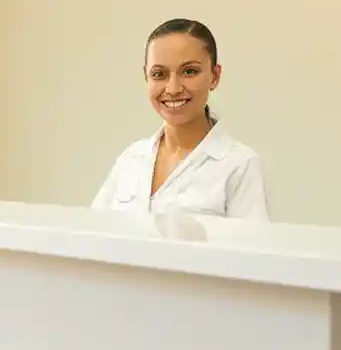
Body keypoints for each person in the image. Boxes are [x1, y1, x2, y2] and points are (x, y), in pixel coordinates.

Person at [91, 18, 269, 220]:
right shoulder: (131, 159)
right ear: (146, 77)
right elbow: (95, 236)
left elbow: (249, 248)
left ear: (214, 76)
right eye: (159, 74)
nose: (173, 88)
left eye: (189, 71)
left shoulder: (240, 164)